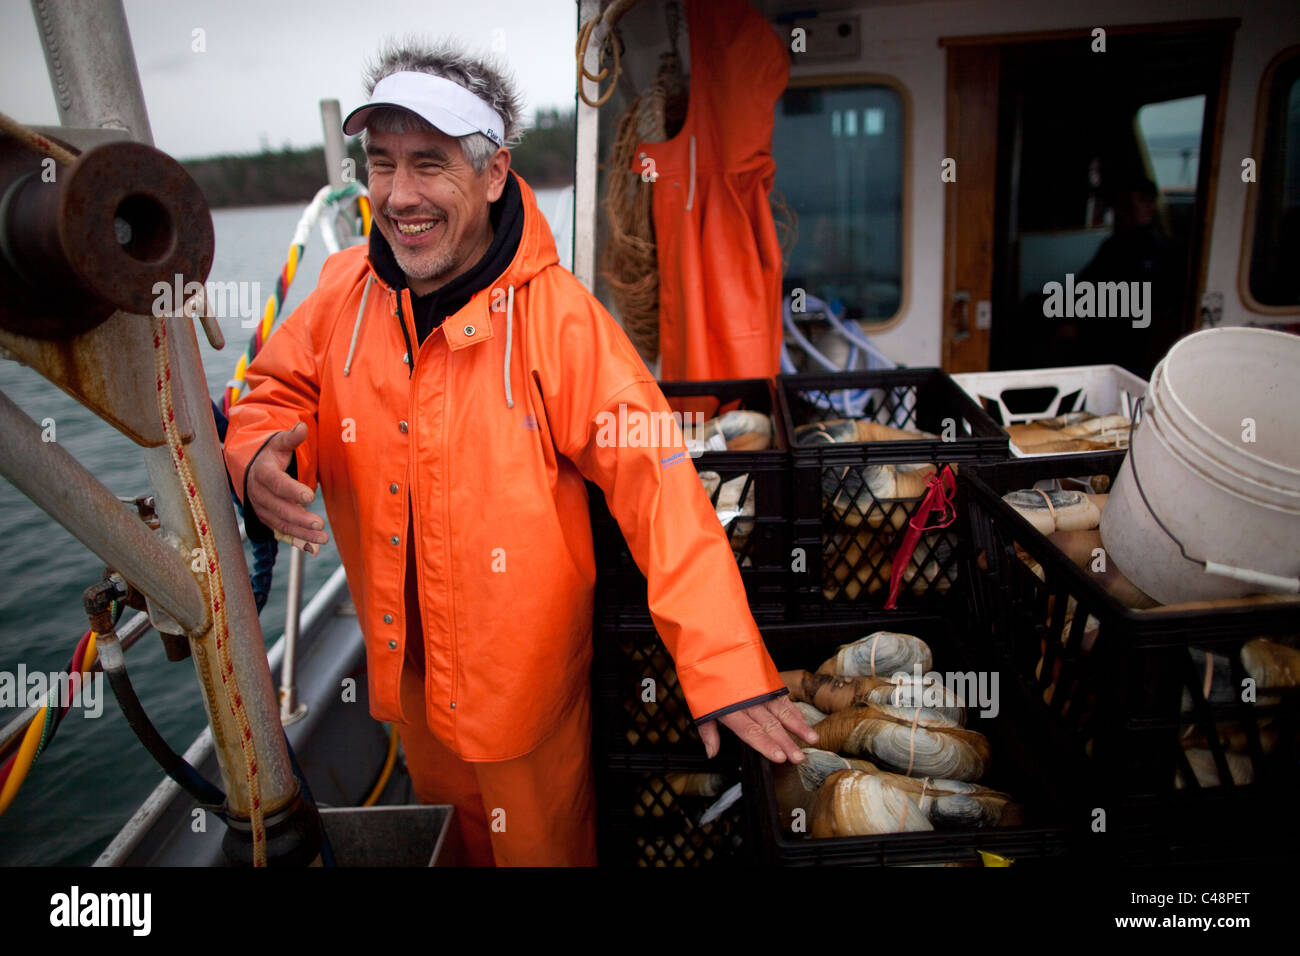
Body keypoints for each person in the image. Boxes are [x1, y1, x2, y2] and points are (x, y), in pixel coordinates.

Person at [223, 41, 816, 866]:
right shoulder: (338, 293)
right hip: (410, 693)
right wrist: (254, 459)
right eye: (382, 163)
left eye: (429, 164)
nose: (398, 196)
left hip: (530, 708)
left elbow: (661, 489)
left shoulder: (563, 323)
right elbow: (272, 396)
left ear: (495, 172)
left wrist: (727, 672)